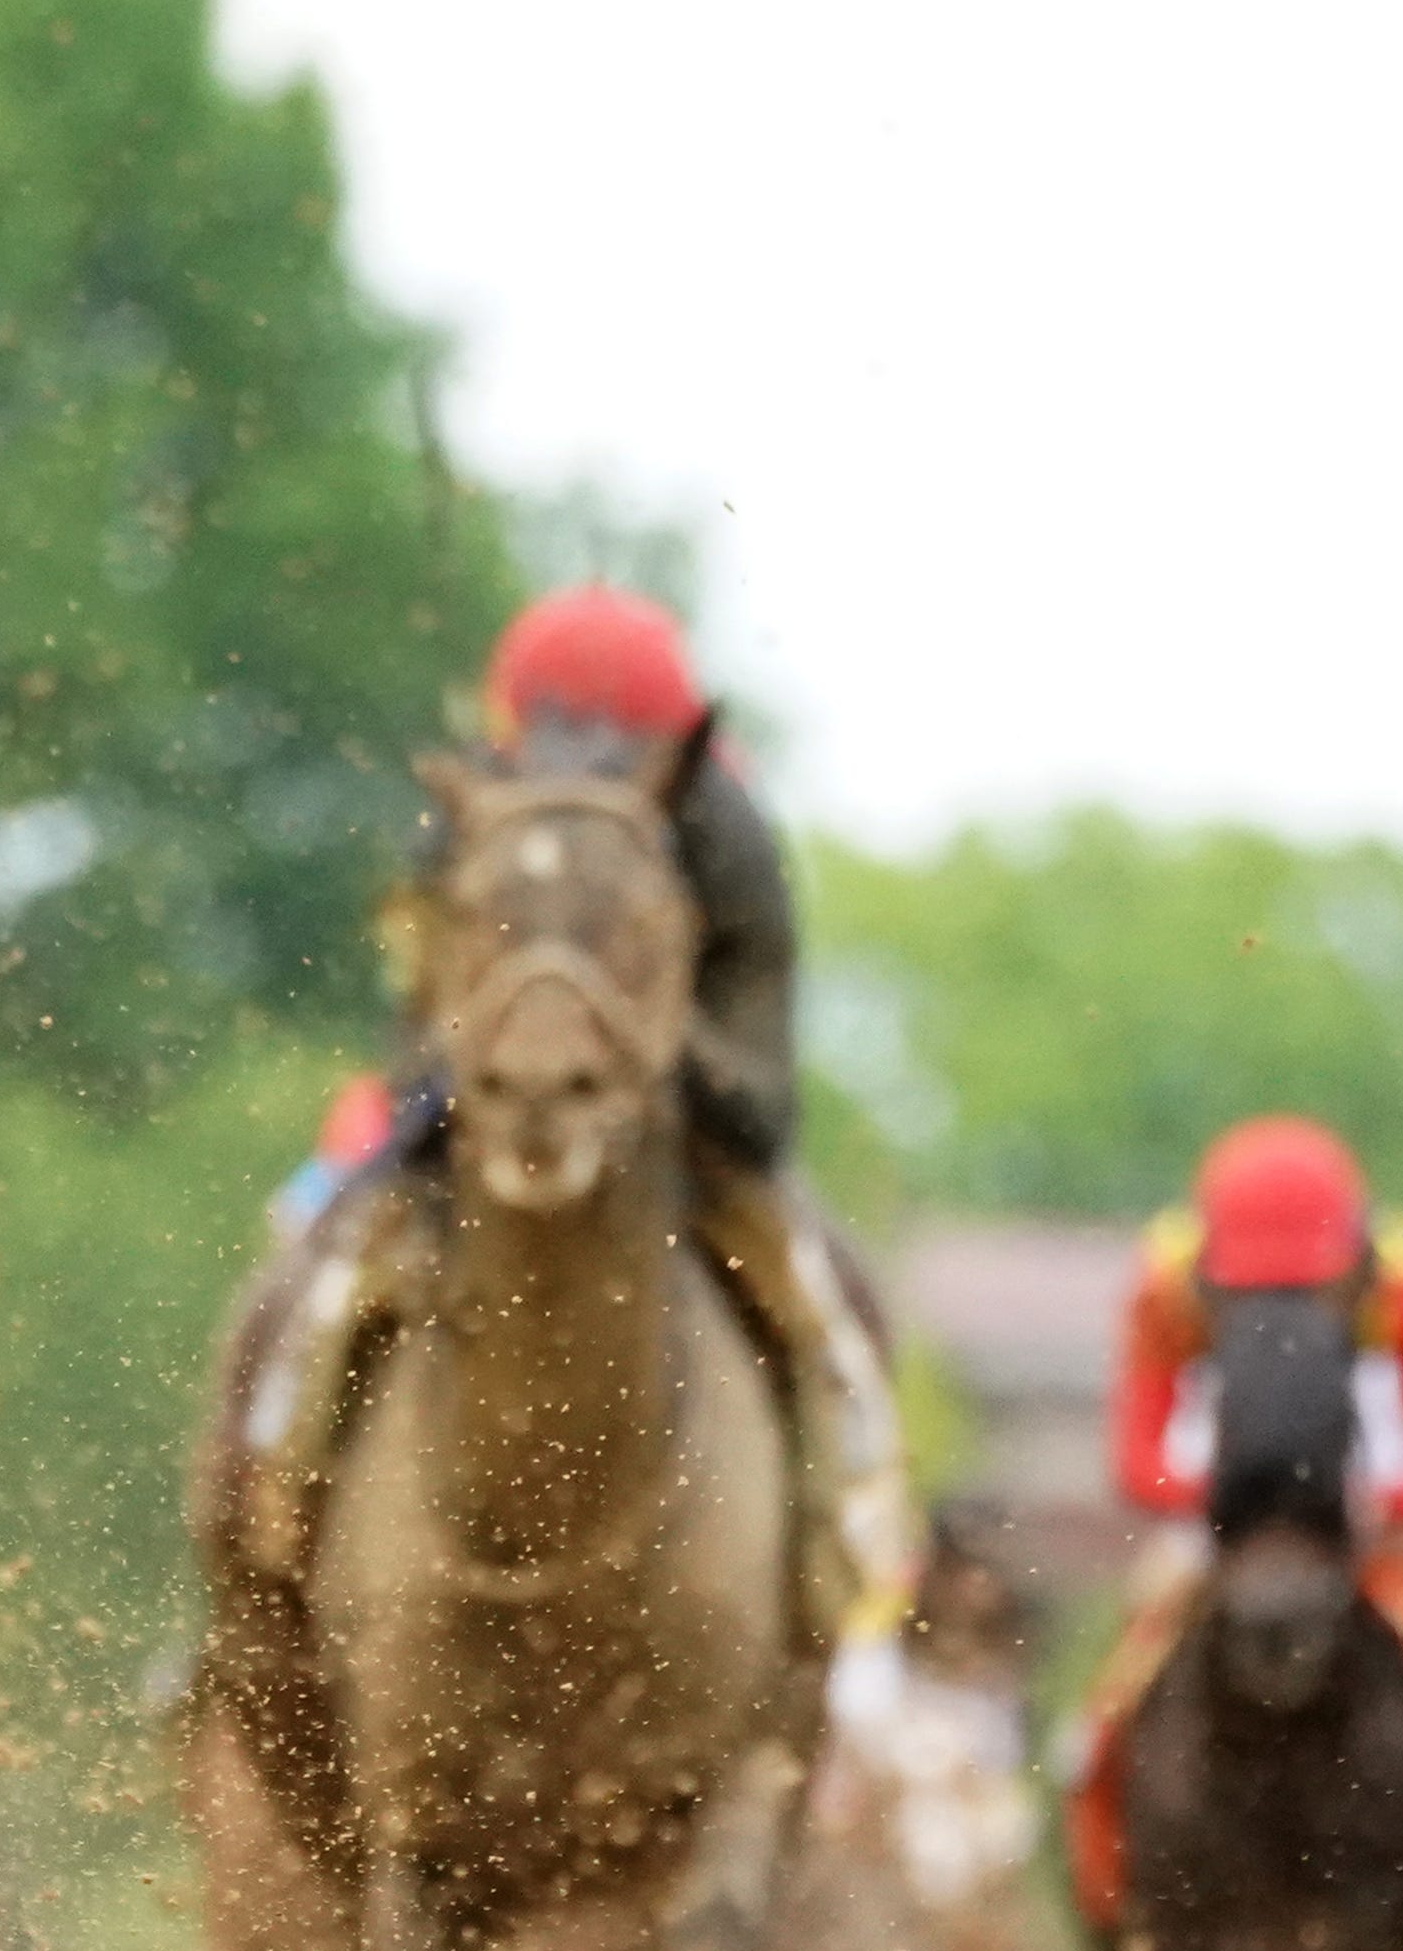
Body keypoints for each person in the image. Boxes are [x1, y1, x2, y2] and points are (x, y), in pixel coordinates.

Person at [210, 586, 919, 1751]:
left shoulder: (727, 838)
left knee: (833, 1300)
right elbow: (411, 1028)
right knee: (310, 1274)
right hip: (478, 1111)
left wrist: (626, 1049)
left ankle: (833, 1583)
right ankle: (265, 1538)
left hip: (682, 1131)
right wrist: (481, 1073)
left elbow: (762, 1087)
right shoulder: (456, 826)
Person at [1066, 1114, 1403, 1913]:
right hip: (1216, 1521)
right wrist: (1230, 1495)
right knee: (1105, 1708)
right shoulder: (1164, 1282)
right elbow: (1136, 1456)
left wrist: (1370, 1502)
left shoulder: (1402, 1278)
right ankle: (1107, 1880)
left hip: (1376, 1511)